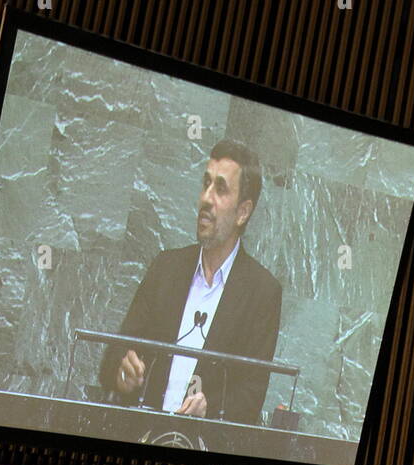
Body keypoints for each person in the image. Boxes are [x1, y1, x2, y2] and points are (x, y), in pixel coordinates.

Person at [99, 140, 283, 426]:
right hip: (141, 433)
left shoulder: (262, 292)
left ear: (243, 212)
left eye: (220, 189)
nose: (206, 199)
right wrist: (122, 373)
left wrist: (209, 406)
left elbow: (251, 393)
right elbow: (113, 357)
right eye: (206, 183)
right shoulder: (166, 268)